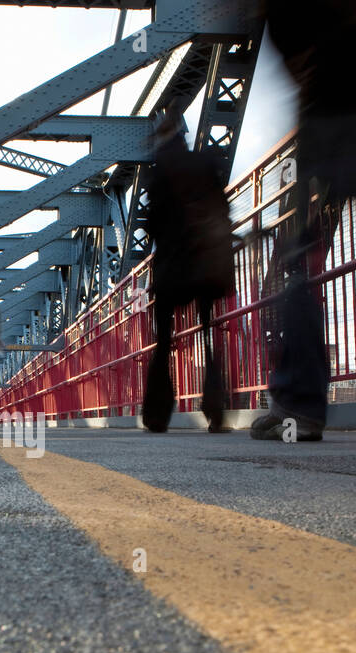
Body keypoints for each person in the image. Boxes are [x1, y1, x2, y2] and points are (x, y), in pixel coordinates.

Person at [245, 0, 356, 440]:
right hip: (343, 105)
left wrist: (312, 63)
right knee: (300, 264)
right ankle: (298, 399)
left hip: (326, 110)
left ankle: (298, 404)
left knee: (297, 265)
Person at [142, 112, 235, 433]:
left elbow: (152, 225)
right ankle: (215, 411)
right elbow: (223, 210)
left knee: (164, 342)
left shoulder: (158, 174)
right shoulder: (204, 163)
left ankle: (157, 415)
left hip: (171, 269)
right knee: (209, 336)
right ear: (183, 134)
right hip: (206, 265)